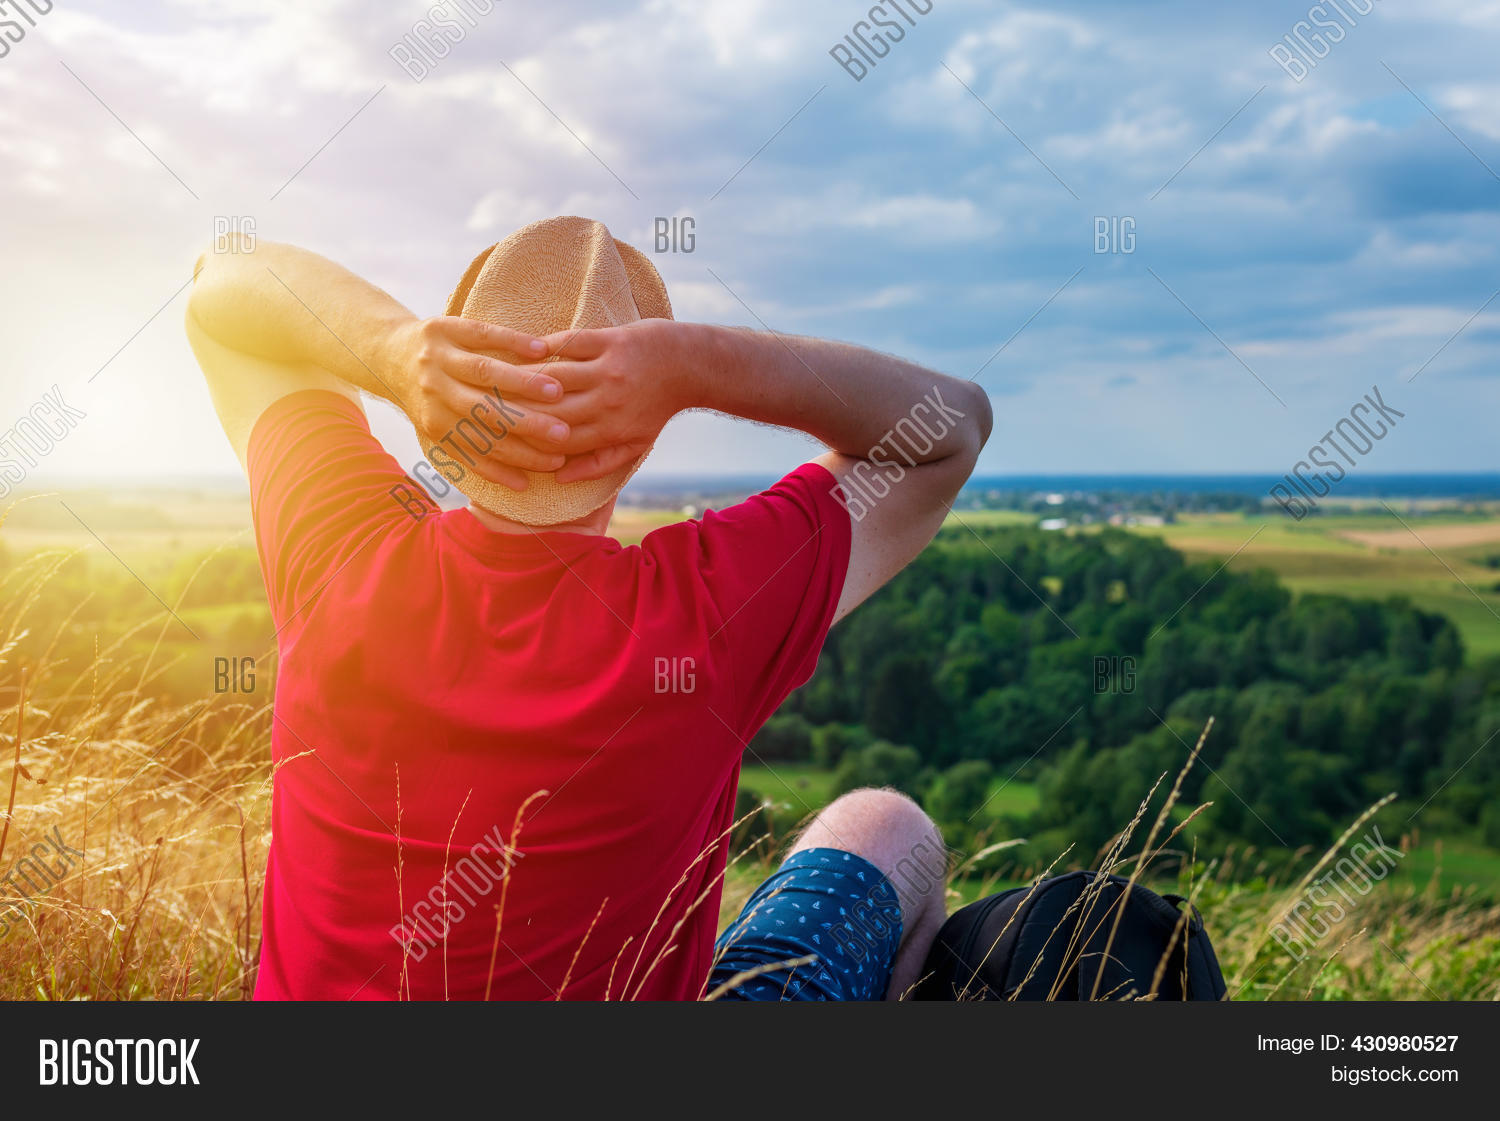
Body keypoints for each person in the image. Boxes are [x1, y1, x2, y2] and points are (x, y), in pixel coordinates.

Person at [184, 216, 992, 1000]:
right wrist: (697, 363)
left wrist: (394, 348)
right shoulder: (705, 611)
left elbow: (220, 288)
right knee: (888, 826)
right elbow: (951, 427)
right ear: (642, 438)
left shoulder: (338, 545)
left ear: (444, 391)